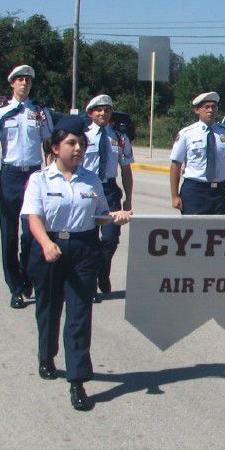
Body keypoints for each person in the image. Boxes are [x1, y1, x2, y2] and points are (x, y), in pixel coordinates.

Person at [22, 114, 131, 411]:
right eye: (72, 143)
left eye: (82, 143)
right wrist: (46, 243)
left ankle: (77, 380)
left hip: (84, 248)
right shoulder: (39, 179)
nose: (79, 148)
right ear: (56, 148)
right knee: (48, 308)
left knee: (80, 315)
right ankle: (47, 354)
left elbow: (98, 215)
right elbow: (33, 217)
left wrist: (114, 217)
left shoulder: (91, 179)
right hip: (49, 246)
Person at [0, 65, 53, 309]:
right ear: (12, 84)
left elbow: (49, 146)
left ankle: (28, 276)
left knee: (32, 233)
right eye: (20, 79)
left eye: (28, 80)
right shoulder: (0, 113)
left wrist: (48, 174)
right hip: (11, 175)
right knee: (9, 235)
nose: (25, 83)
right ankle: (15, 286)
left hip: (34, 176)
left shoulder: (39, 112)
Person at [82, 94, 134, 300]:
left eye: (107, 110)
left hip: (110, 190)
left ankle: (102, 271)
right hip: (86, 189)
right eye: (99, 110)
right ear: (90, 113)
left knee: (111, 238)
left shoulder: (119, 138)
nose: (103, 113)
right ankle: (92, 282)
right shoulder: (82, 136)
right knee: (89, 239)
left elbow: (126, 169)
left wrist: (128, 198)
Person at [169, 91, 225, 215]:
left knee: (220, 232)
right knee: (194, 232)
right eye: (206, 107)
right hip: (194, 191)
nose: (210, 110)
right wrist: (175, 196)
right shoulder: (187, 134)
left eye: (214, 107)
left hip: (219, 192)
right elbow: (175, 166)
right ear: (197, 110)